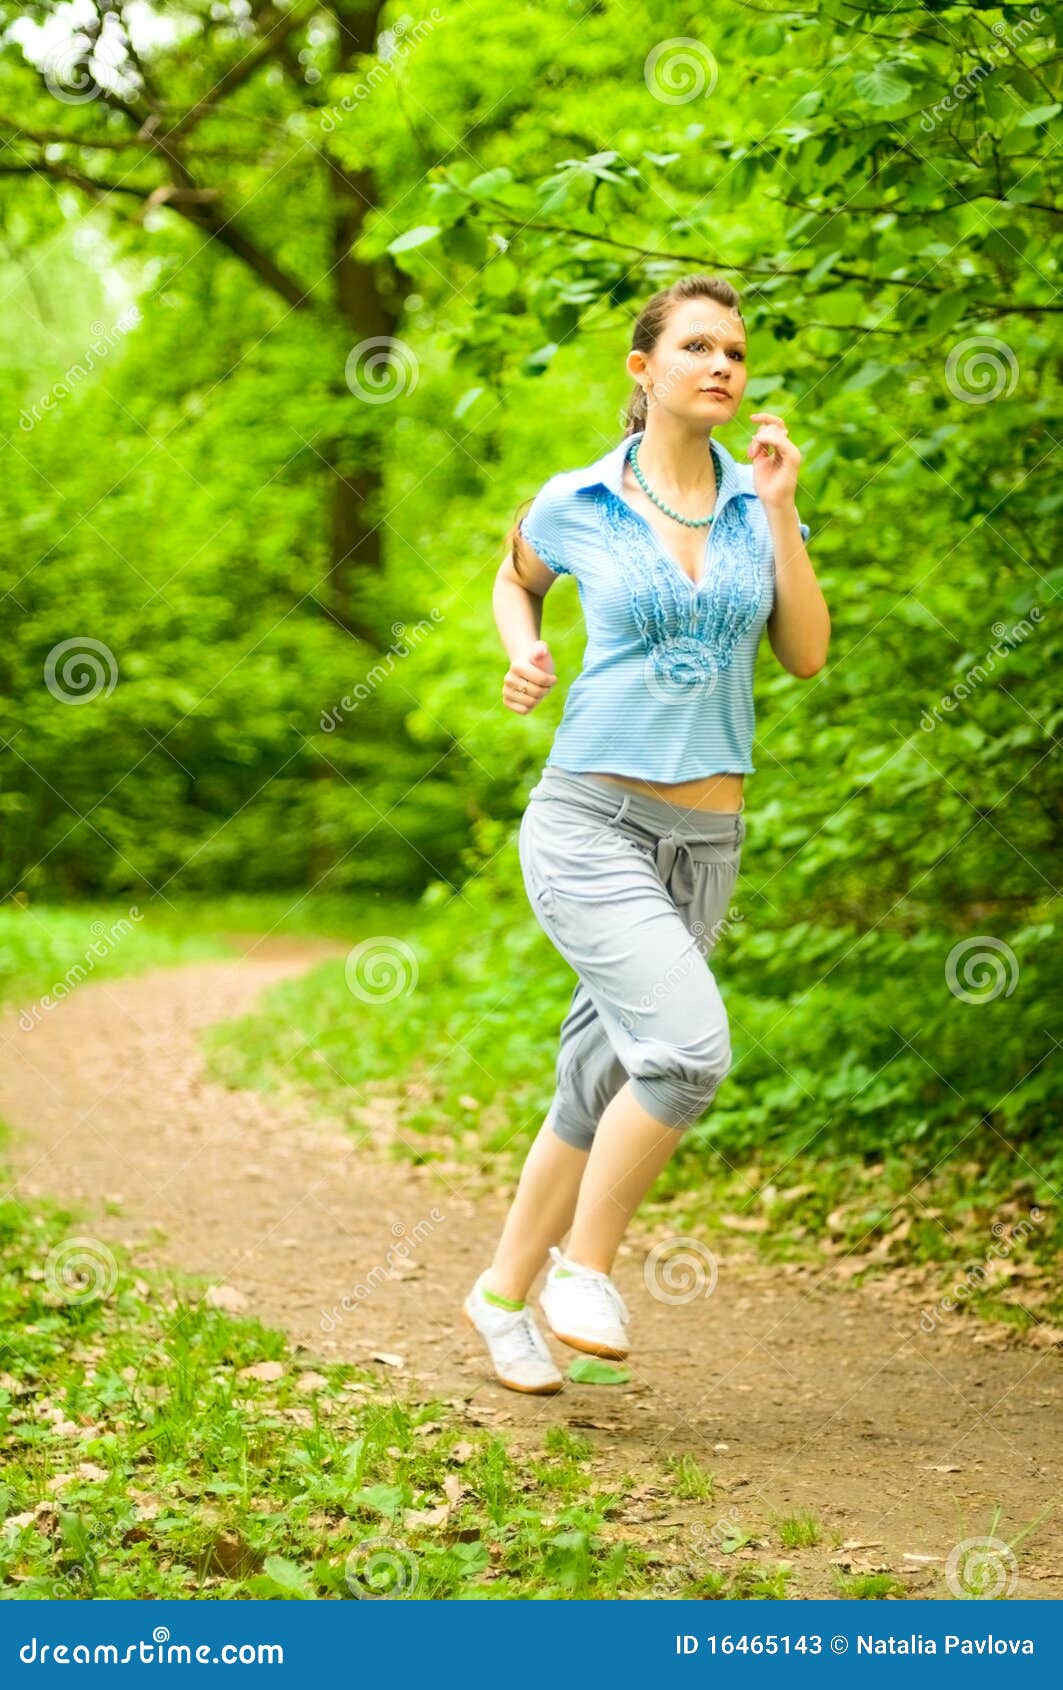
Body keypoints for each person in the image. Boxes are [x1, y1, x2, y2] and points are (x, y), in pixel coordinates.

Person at [463, 273, 830, 1393]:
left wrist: (776, 510)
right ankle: (586, 1269)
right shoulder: (577, 498)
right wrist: (521, 647)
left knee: (596, 1079)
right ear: (644, 370)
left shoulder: (754, 498)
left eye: (735, 351)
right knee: (683, 1053)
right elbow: (511, 576)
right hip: (586, 821)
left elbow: (805, 652)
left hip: (705, 841)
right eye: (698, 347)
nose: (722, 365)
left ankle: (495, 1298)